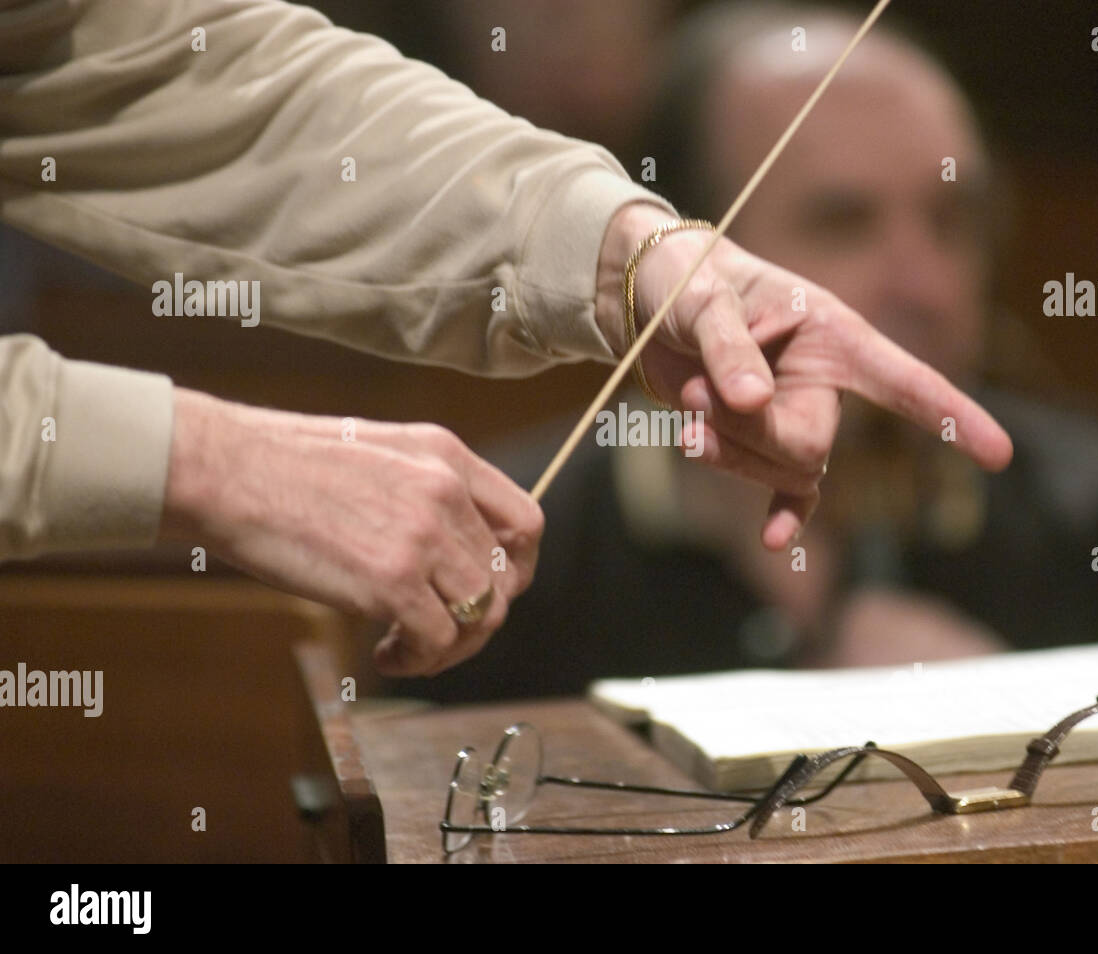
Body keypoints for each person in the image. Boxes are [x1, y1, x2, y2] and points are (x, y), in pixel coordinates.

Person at [0, 0, 1012, 676]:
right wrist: (209, 460)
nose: (916, 277)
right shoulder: (577, 550)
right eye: (844, 219)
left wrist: (630, 257)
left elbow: (160, 76)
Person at [406, 3, 1098, 702]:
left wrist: (1017, 709)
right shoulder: (517, 555)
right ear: (689, 254)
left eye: (952, 222)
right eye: (843, 221)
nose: (926, 284)